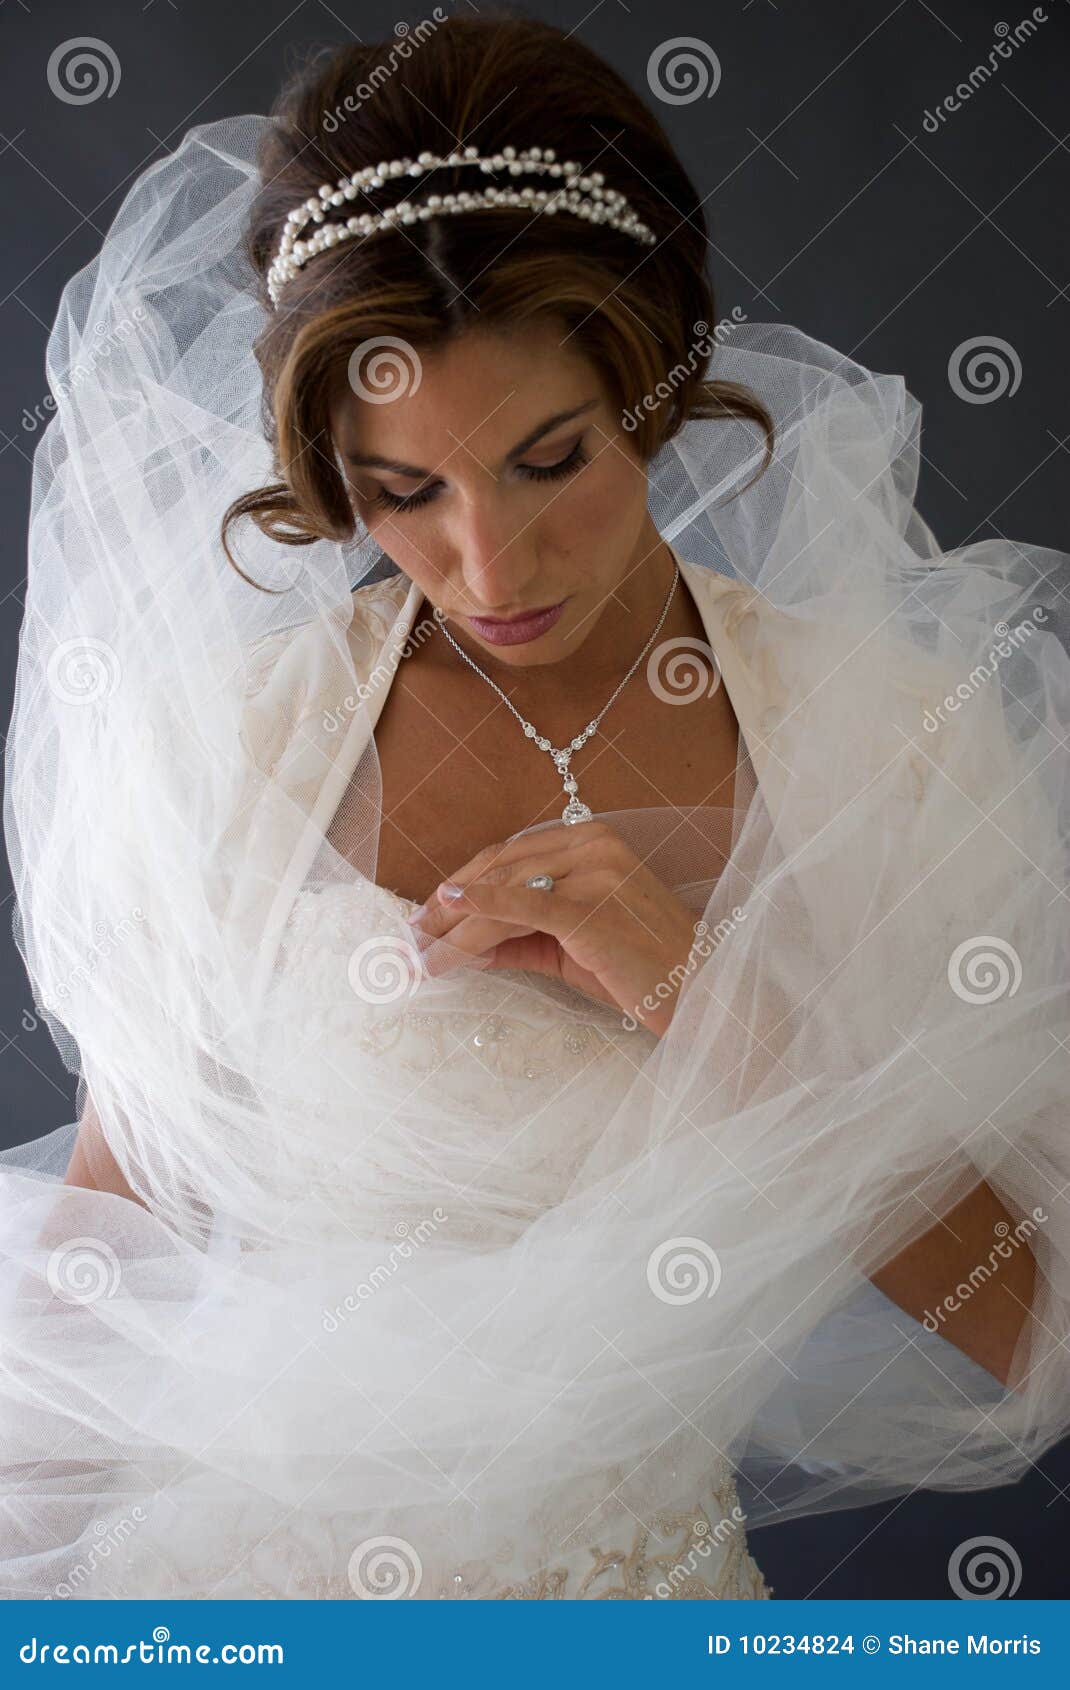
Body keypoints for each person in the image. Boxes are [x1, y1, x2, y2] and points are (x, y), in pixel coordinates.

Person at [1, 15, 1068, 1602]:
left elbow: (1026, 1319)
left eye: (549, 458)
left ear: (655, 380)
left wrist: (703, 997)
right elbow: (115, 1240)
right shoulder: (244, 739)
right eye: (403, 491)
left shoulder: (879, 739)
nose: (490, 567)